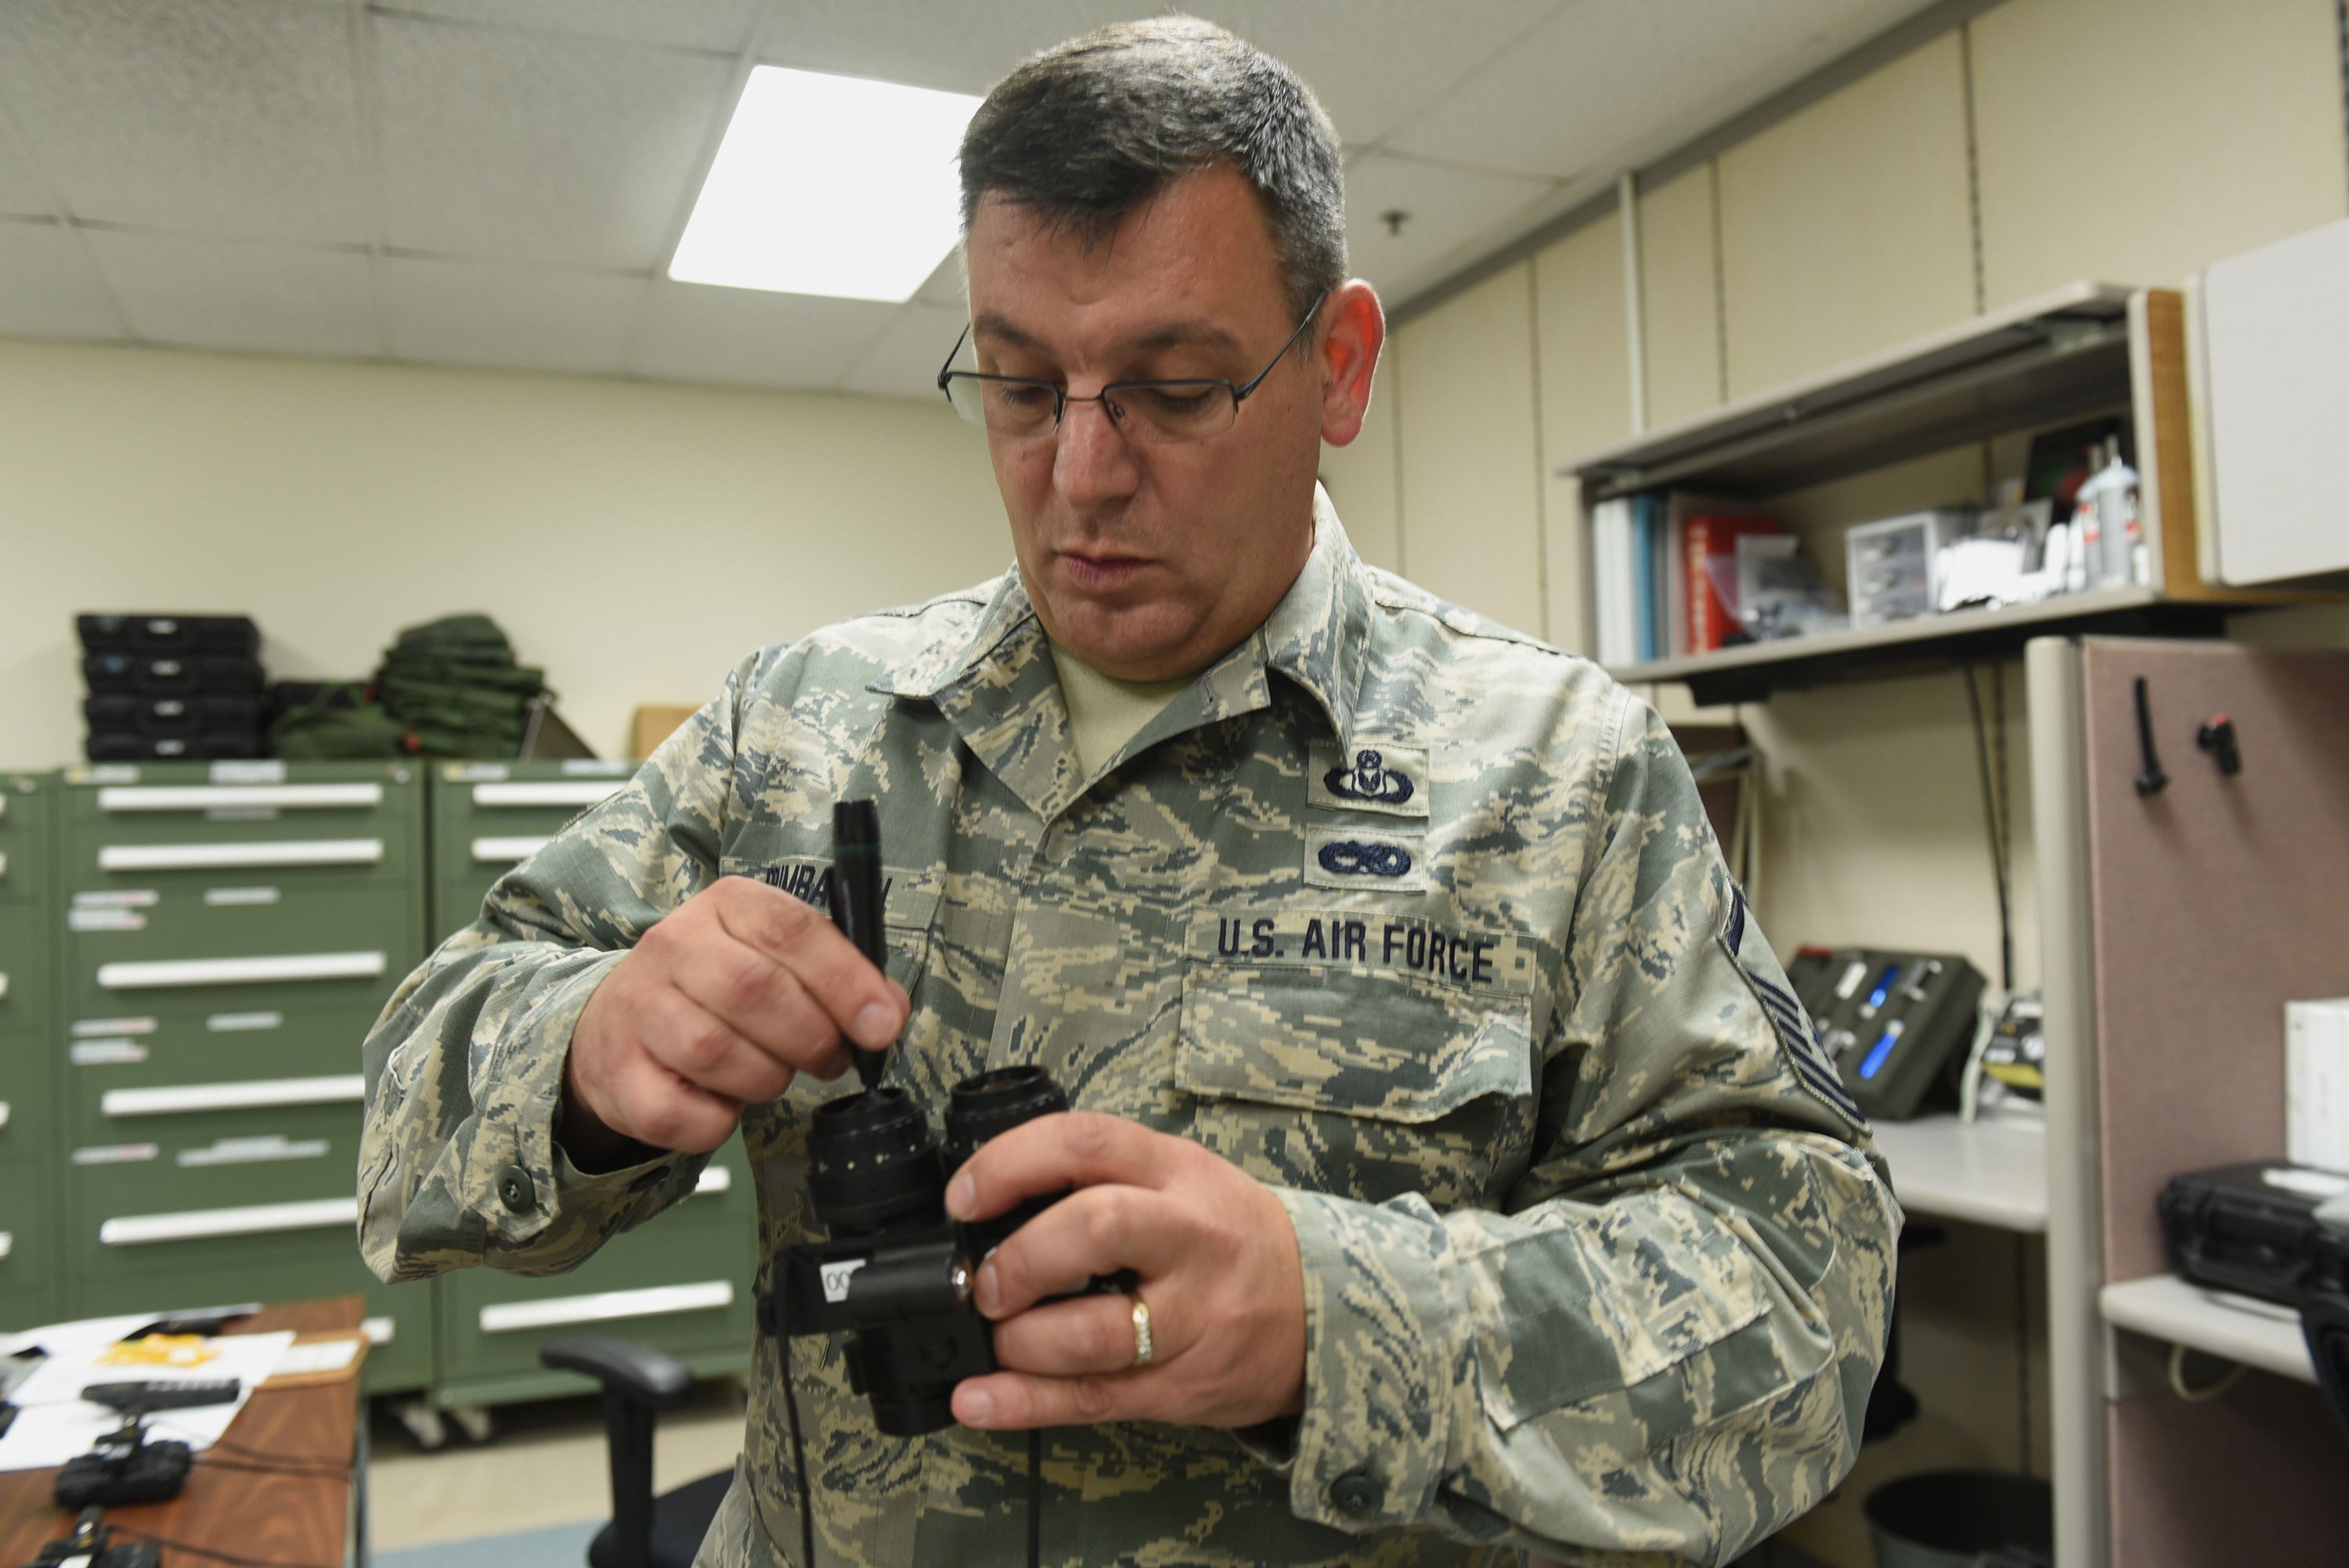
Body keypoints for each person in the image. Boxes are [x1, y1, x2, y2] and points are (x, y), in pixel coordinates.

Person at [358, 17, 1897, 1567]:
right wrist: (588, 1049)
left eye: (1174, 389)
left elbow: (1804, 1281)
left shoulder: (1563, 774)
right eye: (1023, 386)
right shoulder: (801, 726)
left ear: (1338, 366)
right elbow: (411, 1101)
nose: (1082, 474)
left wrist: (1340, 1319)